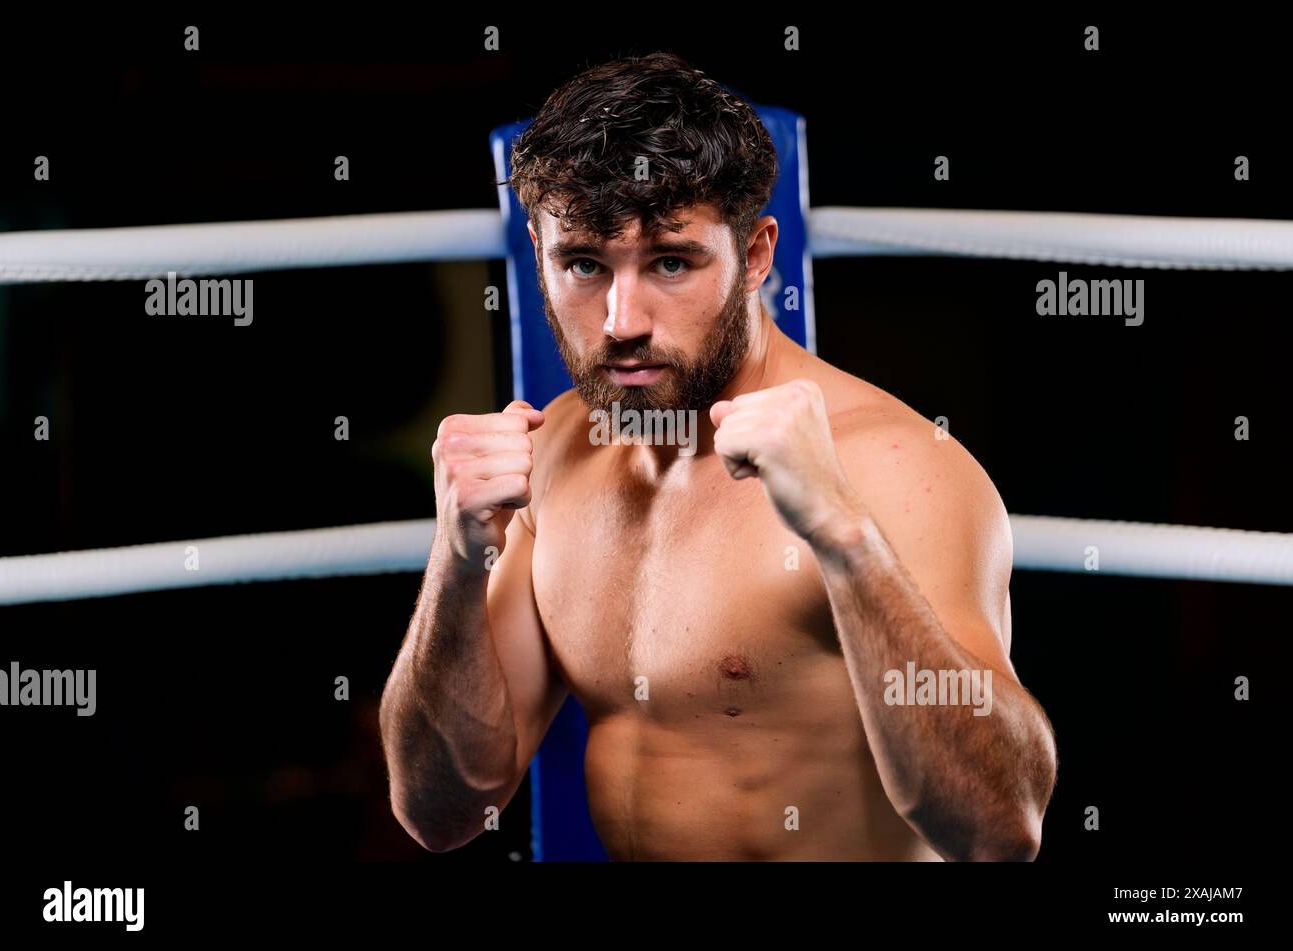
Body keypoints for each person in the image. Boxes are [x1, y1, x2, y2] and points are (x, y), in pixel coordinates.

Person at [380, 51, 1056, 860]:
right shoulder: (554, 453)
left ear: (757, 256)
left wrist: (844, 534)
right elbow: (441, 809)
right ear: (539, 255)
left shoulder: (897, 468)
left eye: (670, 261)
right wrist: (455, 561)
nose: (622, 319)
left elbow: (1001, 826)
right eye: (585, 264)